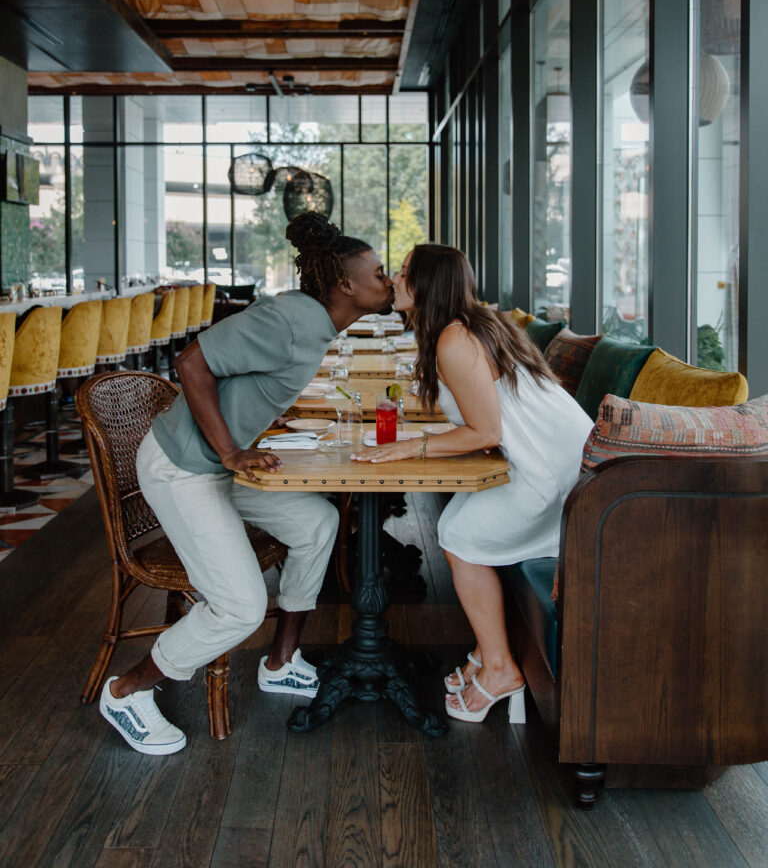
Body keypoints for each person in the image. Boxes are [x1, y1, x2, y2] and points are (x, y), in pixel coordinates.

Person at [100, 212, 395, 755]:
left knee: (318, 521)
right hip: (184, 468)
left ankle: (281, 662)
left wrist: (251, 432)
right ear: (345, 284)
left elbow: (252, 381)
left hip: (213, 465)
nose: (390, 280)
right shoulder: (291, 320)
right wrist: (232, 450)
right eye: (380, 272)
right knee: (240, 606)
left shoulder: (316, 324)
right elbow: (192, 363)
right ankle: (128, 691)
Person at [352, 244, 592, 723]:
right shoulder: (468, 326)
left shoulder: (455, 339)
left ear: (428, 285)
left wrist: (411, 447)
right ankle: (488, 650)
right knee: (455, 521)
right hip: (548, 459)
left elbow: (485, 431)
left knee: (460, 536)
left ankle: (501, 669)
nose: (394, 281)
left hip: (549, 472)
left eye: (403, 273)